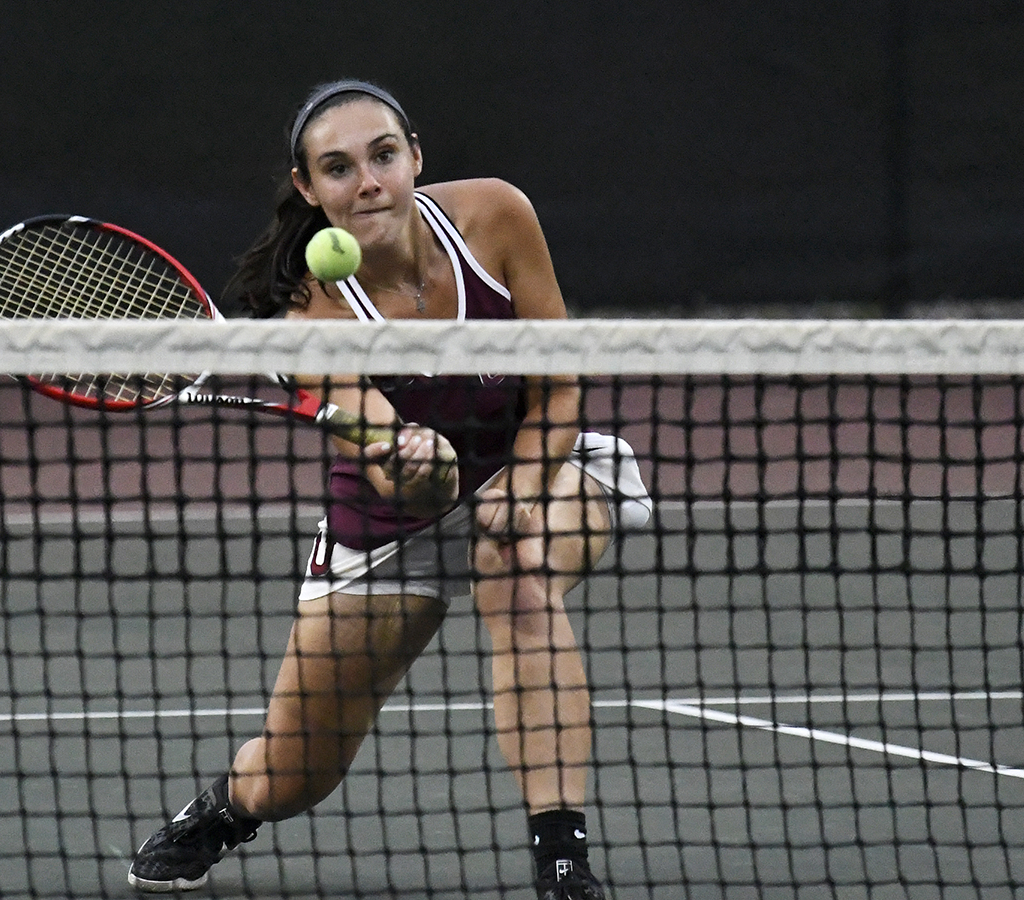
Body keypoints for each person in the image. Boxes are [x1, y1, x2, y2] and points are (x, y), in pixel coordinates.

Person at [128, 79, 650, 900]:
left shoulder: (497, 217)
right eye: (338, 169)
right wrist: (416, 459)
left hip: (539, 467)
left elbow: (559, 388)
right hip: (388, 520)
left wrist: (517, 486)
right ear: (309, 189)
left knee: (517, 572)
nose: (367, 182)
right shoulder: (312, 320)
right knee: (294, 775)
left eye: (382, 156)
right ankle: (230, 805)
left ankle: (562, 860)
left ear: (415, 158)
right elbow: (405, 488)